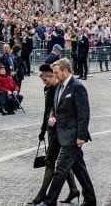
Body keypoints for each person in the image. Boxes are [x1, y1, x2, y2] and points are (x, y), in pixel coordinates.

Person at [36, 58, 95, 206]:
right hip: (61, 134)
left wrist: (81, 136)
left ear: (65, 70)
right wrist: (52, 117)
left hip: (73, 136)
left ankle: (49, 202)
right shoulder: (59, 87)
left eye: (56, 72)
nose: (54, 75)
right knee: (79, 169)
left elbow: (84, 113)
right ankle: (90, 199)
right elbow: (55, 109)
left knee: (61, 168)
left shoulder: (77, 87)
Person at [31, 64, 78, 205]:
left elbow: (60, 109)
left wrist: (53, 119)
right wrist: (43, 129)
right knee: (63, 162)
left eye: (46, 80)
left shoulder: (60, 89)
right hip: (51, 129)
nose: (44, 83)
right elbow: (47, 110)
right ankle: (74, 189)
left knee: (51, 161)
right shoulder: (49, 89)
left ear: (53, 76)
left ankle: (41, 195)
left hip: (60, 130)